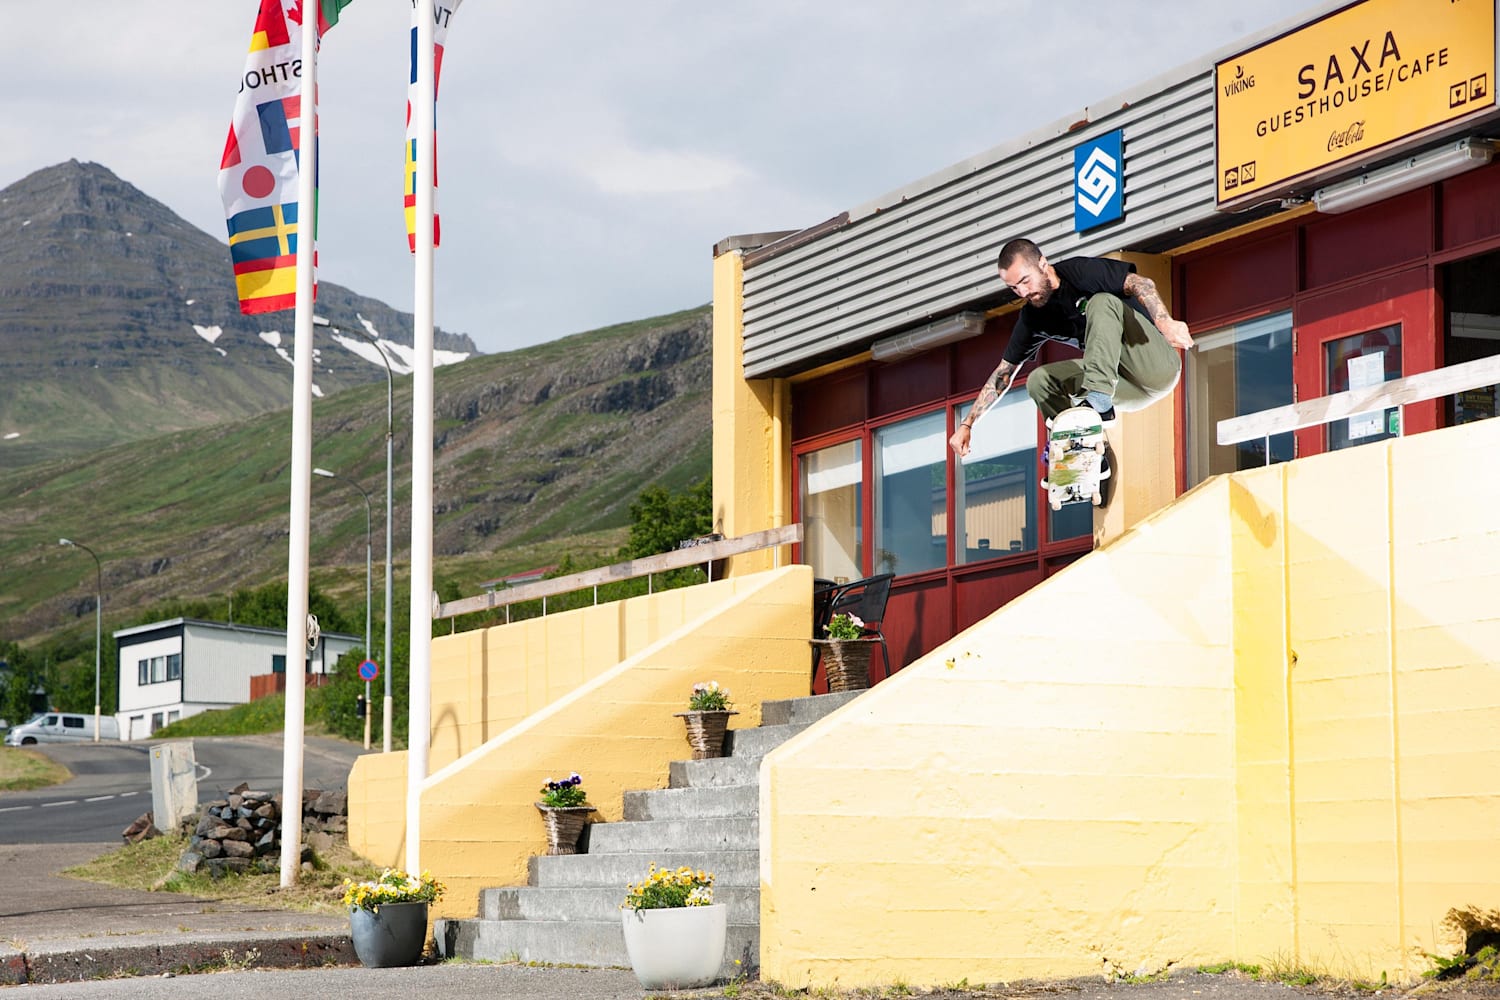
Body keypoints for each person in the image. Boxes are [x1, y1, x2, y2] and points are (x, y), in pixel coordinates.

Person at [949, 238, 1193, 458]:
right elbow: (1003, 374)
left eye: (1025, 281)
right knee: (1039, 380)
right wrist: (967, 424)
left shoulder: (1079, 272)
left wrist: (1164, 321)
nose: (1024, 292)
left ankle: (1097, 400)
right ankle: (1080, 453)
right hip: (1124, 389)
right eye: (1014, 288)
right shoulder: (1033, 318)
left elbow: (1140, 283)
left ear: (1043, 264)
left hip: (1156, 365)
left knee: (1102, 302)